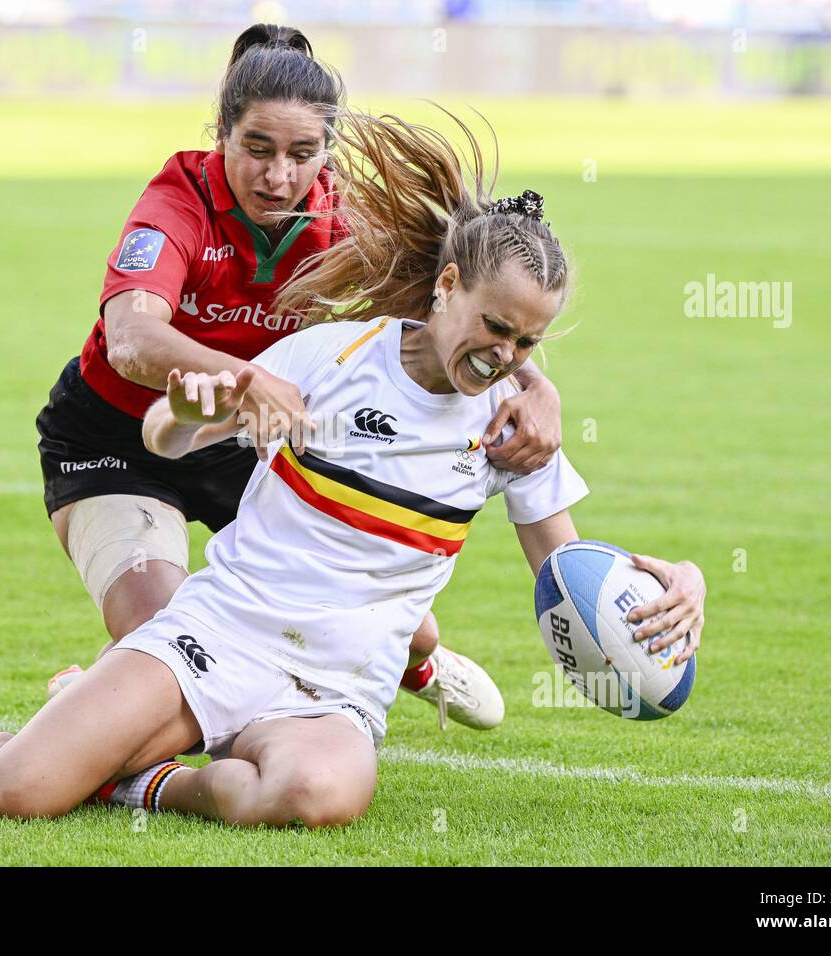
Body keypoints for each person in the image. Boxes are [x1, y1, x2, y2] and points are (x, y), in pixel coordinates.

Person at [0, 108, 706, 828]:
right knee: (8, 794)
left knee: (317, 796)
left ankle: (137, 781)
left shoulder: (518, 427)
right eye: (494, 327)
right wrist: (204, 406)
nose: (503, 355)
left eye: (527, 342)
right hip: (225, 632)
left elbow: (565, 573)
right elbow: (162, 439)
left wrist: (669, 585)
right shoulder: (332, 358)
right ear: (446, 287)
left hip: (339, 689)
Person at [36, 23, 568, 729]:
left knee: (403, 626)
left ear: (327, 151)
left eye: (302, 154)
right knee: (162, 634)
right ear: (221, 131)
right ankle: (88, 699)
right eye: (257, 148)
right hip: (118, 440)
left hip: (254, 441)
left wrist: (539, 391)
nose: (278, 176)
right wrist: (246, 379)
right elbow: (133, 341)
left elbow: (465, 320)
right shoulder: (177, 201)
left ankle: (420, 662)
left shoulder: (338, 219)